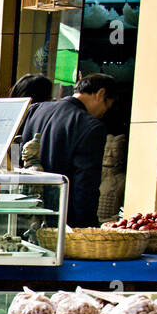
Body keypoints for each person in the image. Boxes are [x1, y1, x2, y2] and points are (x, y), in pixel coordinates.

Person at [19, 73, 115, 228]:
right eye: (107, 106)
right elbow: (85, 185)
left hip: (27, 214)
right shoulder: (90, 126)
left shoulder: (36, 110)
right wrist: (86, 228)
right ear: (101, 94)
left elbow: (17, 153)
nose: (104, 112)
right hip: (63, 221)